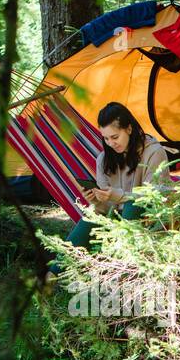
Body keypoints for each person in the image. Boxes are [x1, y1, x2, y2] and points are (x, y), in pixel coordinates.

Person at [64, 102, 171, 251]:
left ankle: (126, 256)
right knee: (91, 216)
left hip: (148, 219)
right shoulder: (103, 159)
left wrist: (119, 196)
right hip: (115, 218)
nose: (111, 143)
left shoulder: (154, 152)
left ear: (129, 129)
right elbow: (106, 208)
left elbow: (155, 196)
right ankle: (54, 271)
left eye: (114, 137)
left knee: (133, 204)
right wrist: (97, 199)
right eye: (106, 139)